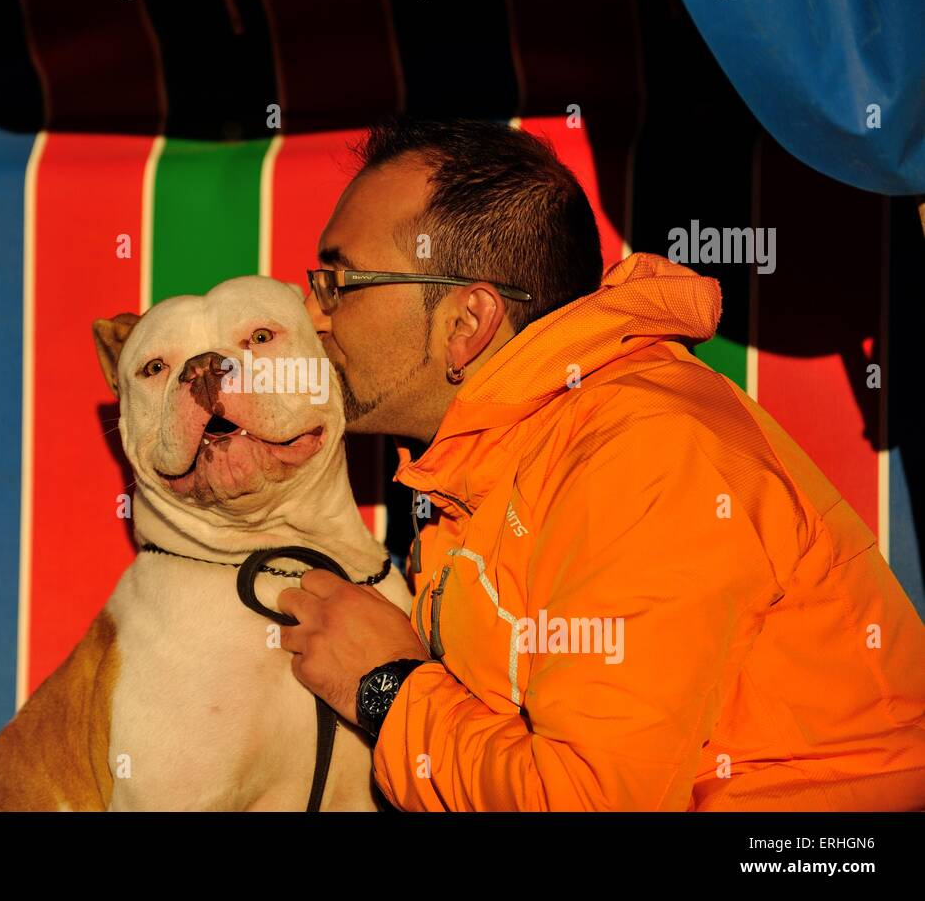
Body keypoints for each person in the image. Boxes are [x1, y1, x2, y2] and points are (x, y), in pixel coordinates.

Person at [274, 116, 925, 811]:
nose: (311, 312)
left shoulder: (643, 454)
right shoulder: (492, 454)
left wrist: (385, 688)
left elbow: (591, 802)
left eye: (338, 281)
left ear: (466, 324)